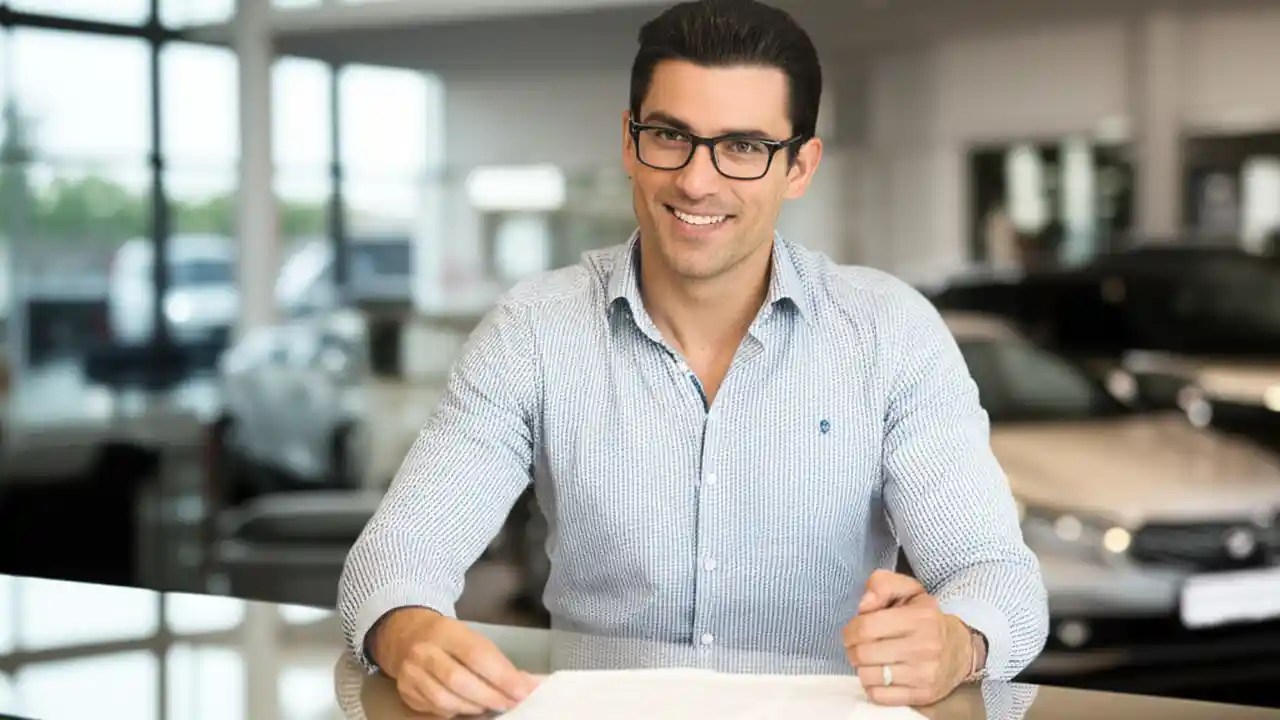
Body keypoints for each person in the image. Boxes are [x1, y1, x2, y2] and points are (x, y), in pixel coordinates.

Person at [338, 0, 1048, 715]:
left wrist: (960, 642)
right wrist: (409, 631)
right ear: (628, 140)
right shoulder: (534, 332)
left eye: (743, 146)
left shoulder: (889, 334)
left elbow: (996, 575)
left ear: (799, 165)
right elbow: (392, 555)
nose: (697, 181)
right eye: (671, 136)